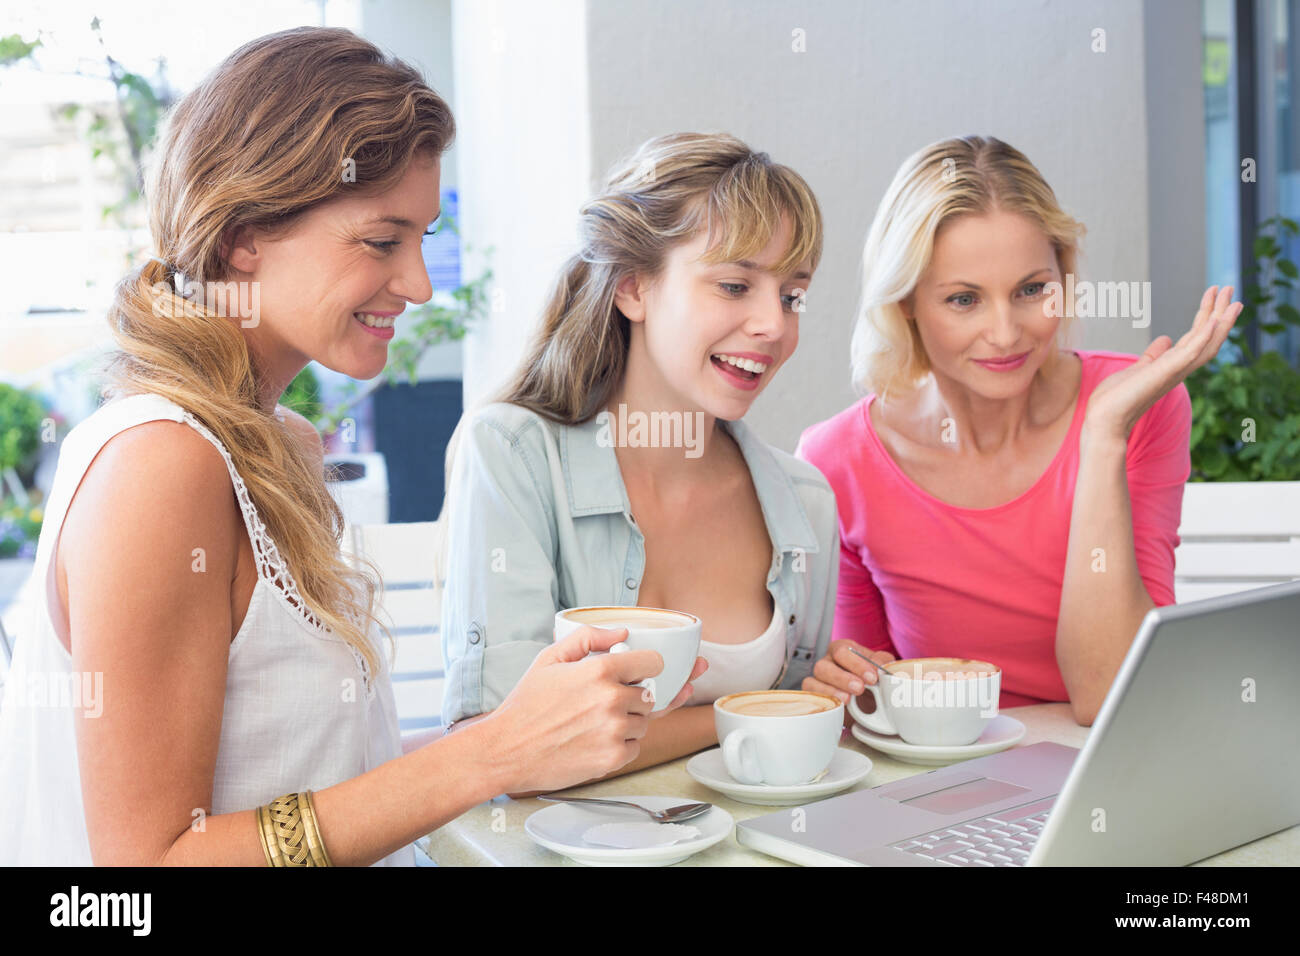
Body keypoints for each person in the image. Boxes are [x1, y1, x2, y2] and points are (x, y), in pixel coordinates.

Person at [0, 27, 694, 867]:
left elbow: (313, 781)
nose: (419, 284)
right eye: (381, 240)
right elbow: (152, 868)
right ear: (243, 234)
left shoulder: (275, 443)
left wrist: (536, 729)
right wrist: (492, 752)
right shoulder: (161, 464)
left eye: (423, 238)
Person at [796, 135, 1240, 726]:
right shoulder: (837, 460)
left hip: (1105, 762)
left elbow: (1111, 697)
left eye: (1031, 290)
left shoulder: (1138, 408)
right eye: (964, 300)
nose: (1005, 334)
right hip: (950, 779)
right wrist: (841, 677)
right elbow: (873, 704)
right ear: (904, 302)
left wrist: (1104, 436)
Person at [440, 132, 842, 774]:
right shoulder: (513, 454)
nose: (775, 324)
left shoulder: (806, 502)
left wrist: (834, 690)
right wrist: (745, 710)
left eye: (792, 296)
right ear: (633, 288)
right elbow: (500, 746)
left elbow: (797, 730)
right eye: (736, 286)